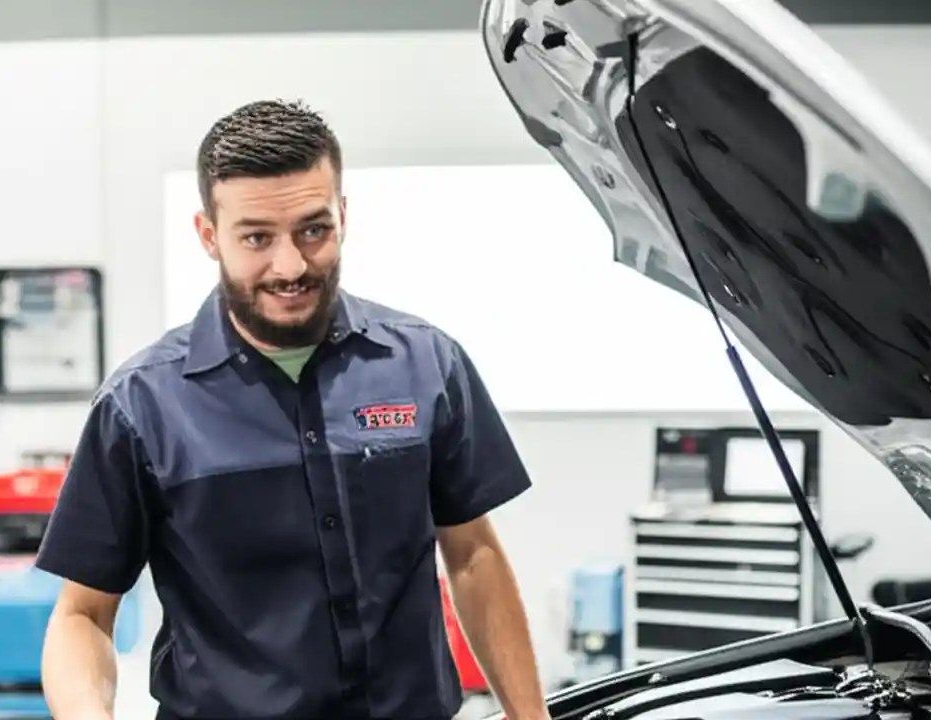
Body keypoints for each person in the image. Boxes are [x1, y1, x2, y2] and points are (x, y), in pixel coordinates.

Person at [36, 99, 550, 720]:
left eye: (313, 230)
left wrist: (530, 717)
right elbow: (83, 615)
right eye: (257, 237)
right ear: (209, 236)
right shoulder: (141, 406)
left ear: (343, 217)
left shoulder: (426, 364)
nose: (291, 265)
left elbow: (472, 555)